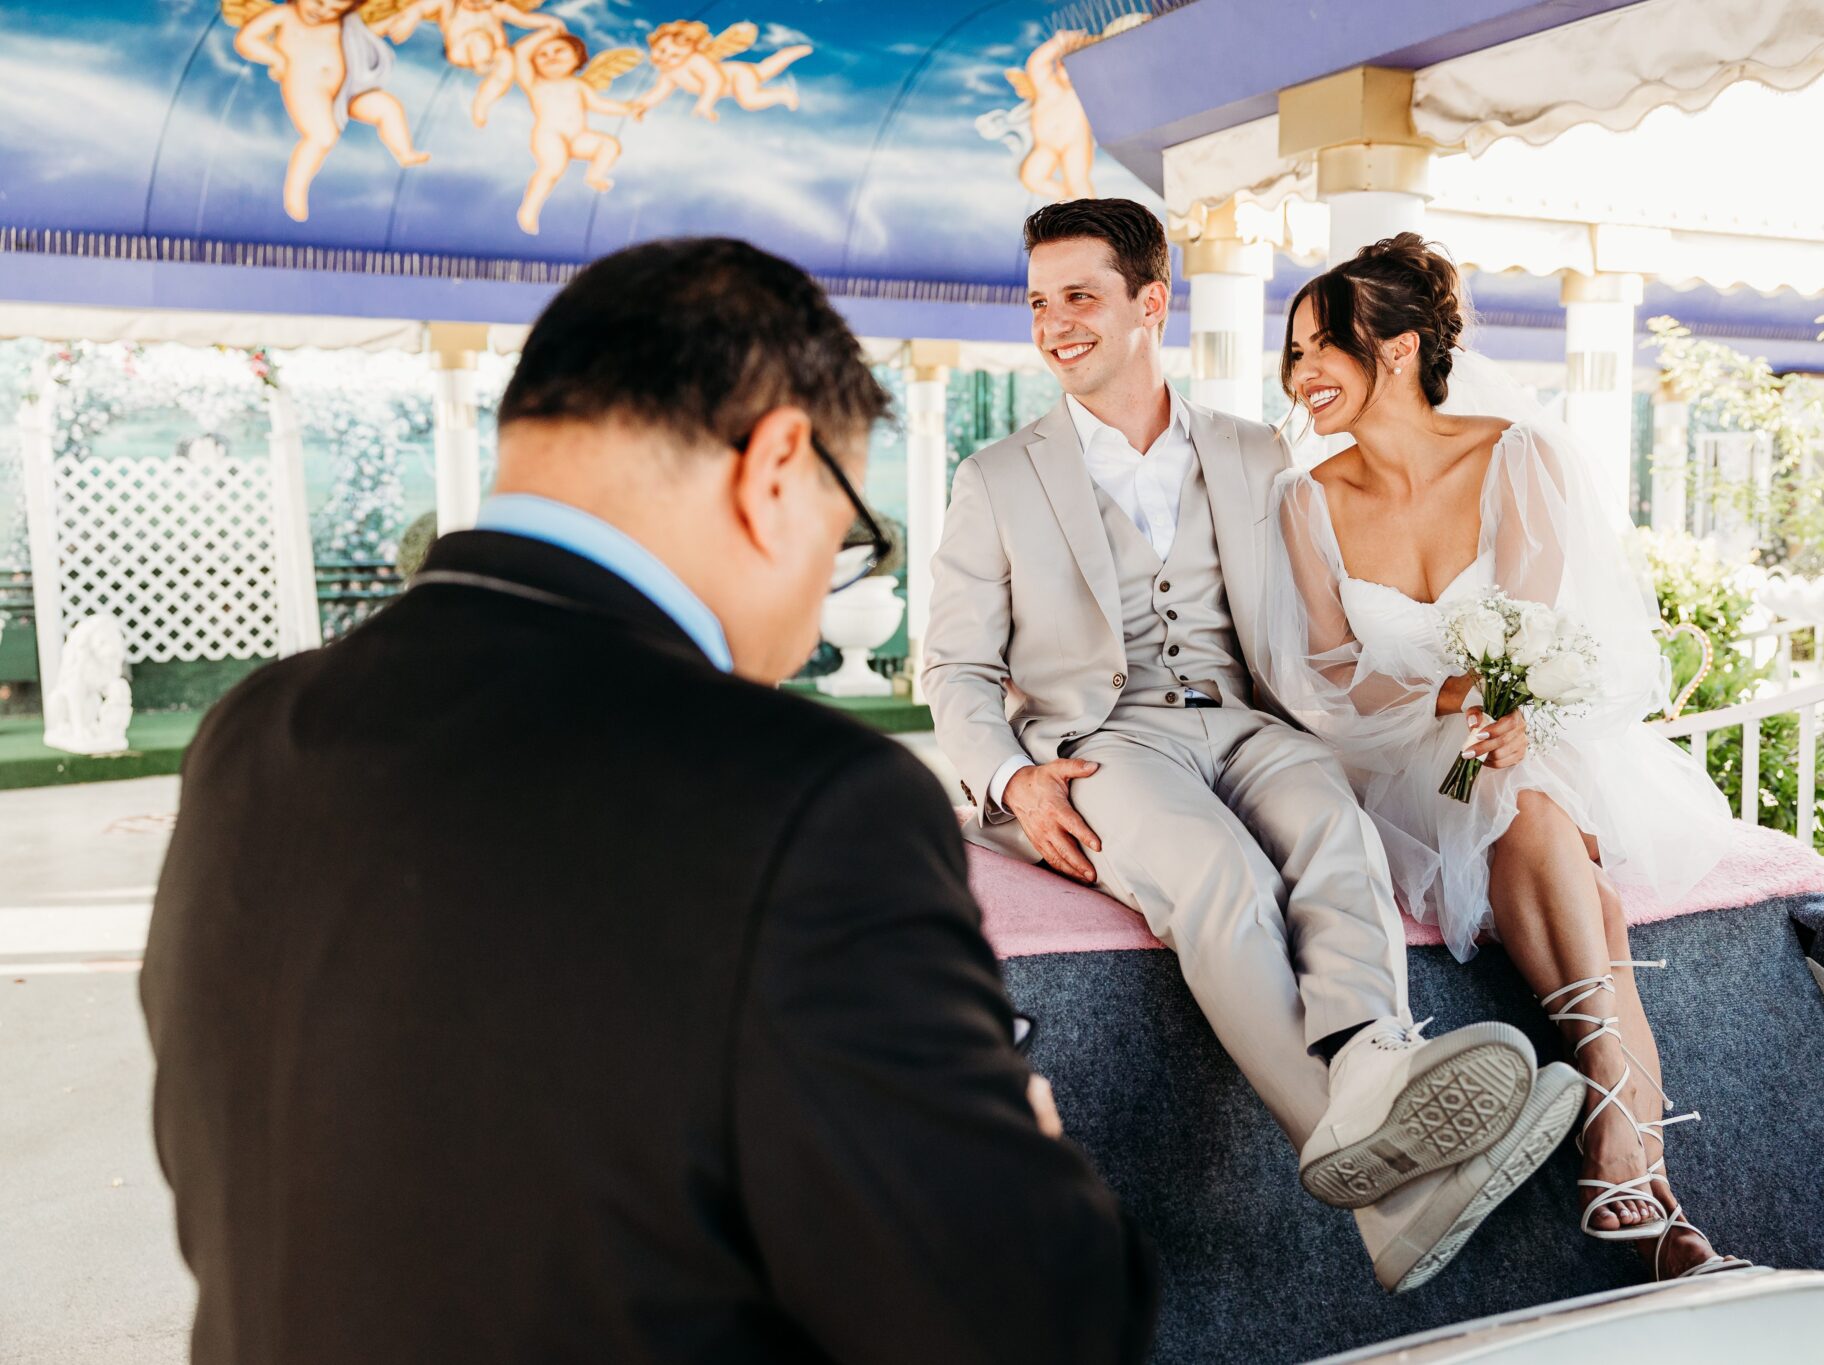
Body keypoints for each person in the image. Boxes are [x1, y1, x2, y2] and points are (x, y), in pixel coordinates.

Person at [141, 236, 1158, 1364]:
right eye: (843, 539)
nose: (820, 601)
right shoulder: (805, 799)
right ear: (776, 467)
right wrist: (1025, 1144)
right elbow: (1029, 1325)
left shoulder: (253, 733)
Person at [923, 198, 1584, 1295]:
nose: (1053, 325)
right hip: (1099, 742)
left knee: (1331, 823)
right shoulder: (993, 478)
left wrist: (1468, 682)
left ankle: (1377, 1068)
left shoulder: (1249, 450)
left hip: (1247, 720)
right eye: (1038, 303)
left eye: (1078, 297)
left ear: (1150, 302)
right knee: (1218, 876)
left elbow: (1330, 612)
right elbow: (951, 669)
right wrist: (1011, 780)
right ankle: (1379, 1176)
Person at [1267, 233, 1751, 1282]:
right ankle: (1627, 1143)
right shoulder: (1304, 500)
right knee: (1541, 833)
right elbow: (1320, 681)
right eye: (1292, 352)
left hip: (1525, 739)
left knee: (1524, 800)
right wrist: (1446, 697)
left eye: (1319, 350)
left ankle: (1625, 1146)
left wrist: (1513, 716)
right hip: (1385, 754)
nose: (1298, 375)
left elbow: (1536, 649)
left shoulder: (1516, 455)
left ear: (1395, 350)